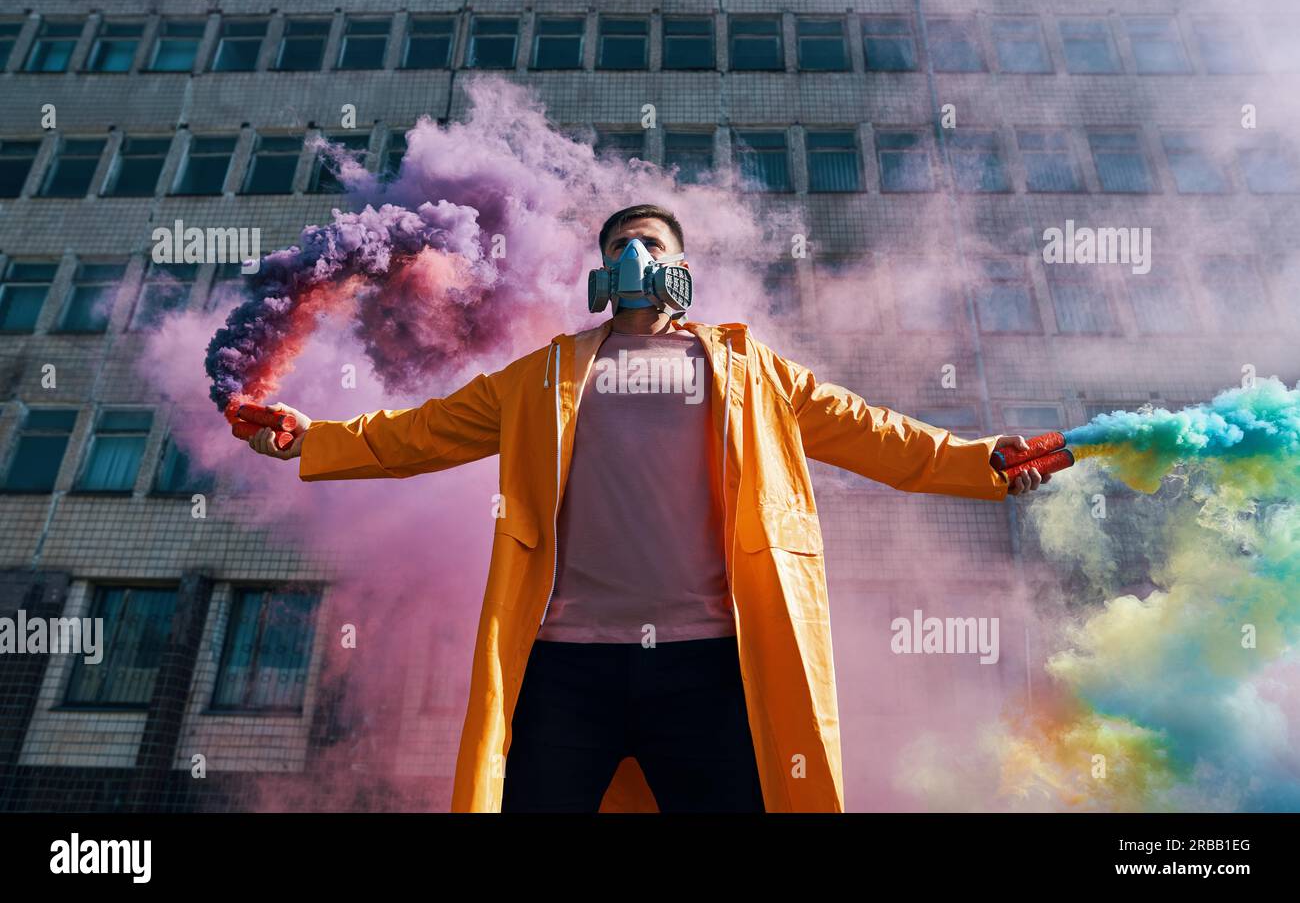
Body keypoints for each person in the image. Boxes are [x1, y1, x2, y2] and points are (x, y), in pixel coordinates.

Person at [247, 203, 1048, 813]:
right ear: (600, 272)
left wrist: (984, 462)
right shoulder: (542, 376)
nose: (633, 254)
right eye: (617, 245)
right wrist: (307, 440)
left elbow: (879, 435)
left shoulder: (752, 373)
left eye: (651, 243)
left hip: (709, 665)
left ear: (681, 267)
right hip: (565, 669)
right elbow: (415, 435)